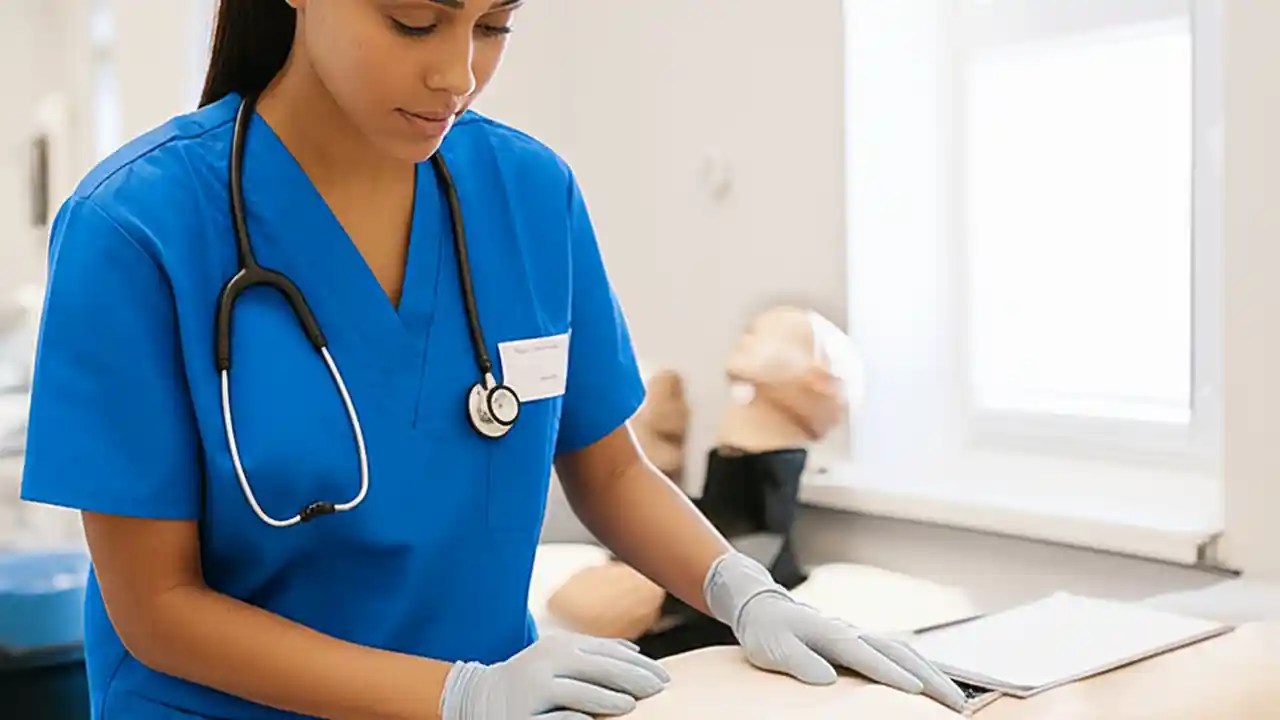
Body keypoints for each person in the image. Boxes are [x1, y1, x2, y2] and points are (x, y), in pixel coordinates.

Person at [19, 1, 966, 718]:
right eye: (416, 20)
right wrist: (455, 695)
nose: (458, 74)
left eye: (495, 24)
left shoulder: (526, 192)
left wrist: (742, 591)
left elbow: (607, 468)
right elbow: (156, 608)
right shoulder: (135, 228)